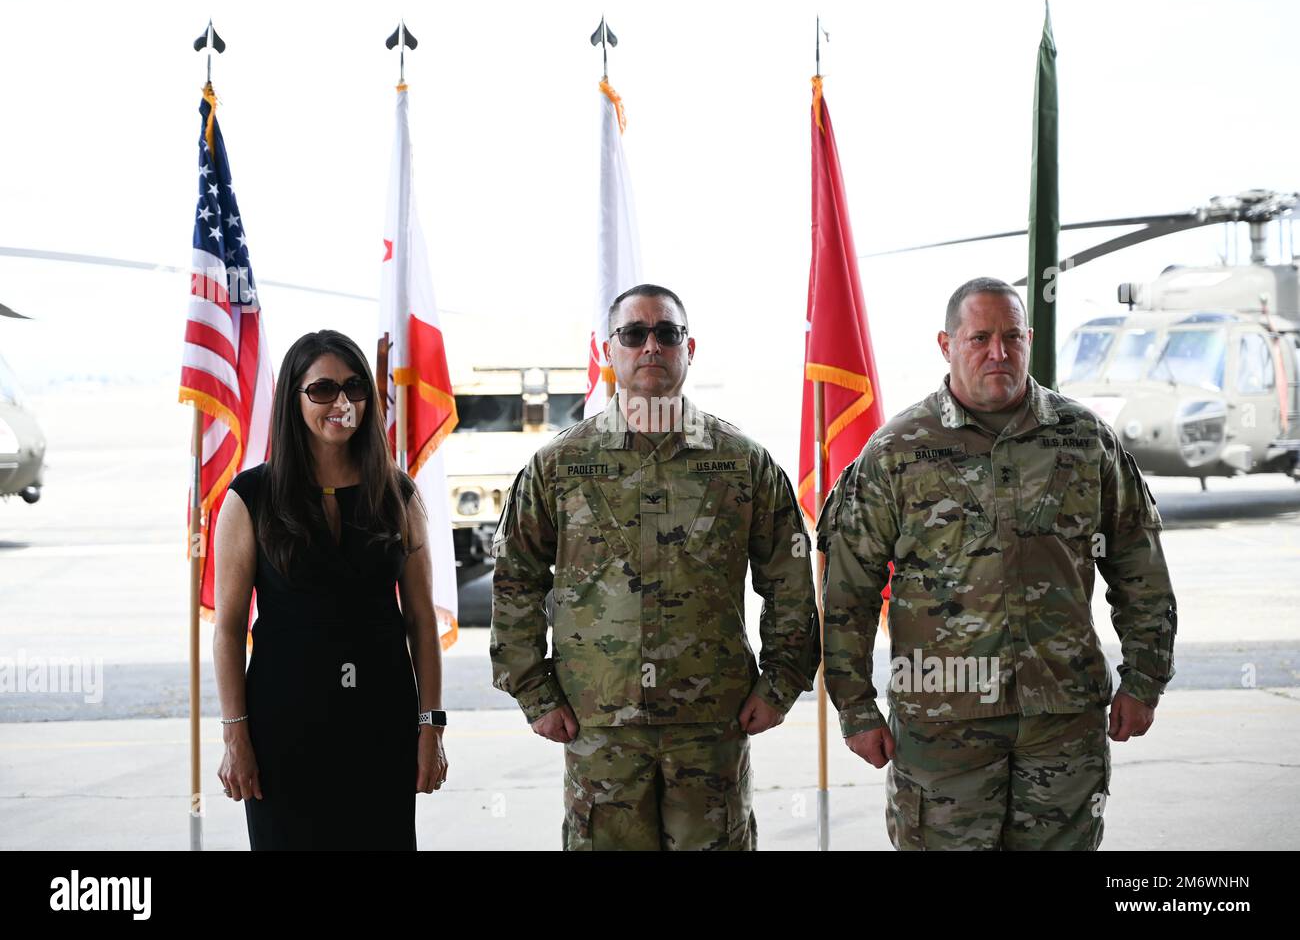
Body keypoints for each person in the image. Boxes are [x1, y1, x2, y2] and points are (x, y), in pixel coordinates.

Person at [818, 276, 1177, 851]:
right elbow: (848, 593)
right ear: (946, 344)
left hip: (1062, 717)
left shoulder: (1083, 439)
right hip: (943, 724)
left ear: (1029, 339)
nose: (998, 352)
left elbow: (1139, 565)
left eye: (1012, 337)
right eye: (979, 337)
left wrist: (1146, 678)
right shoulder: (898, 449)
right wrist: (856, 708)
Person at [491, 283, 820, 851]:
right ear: (607, 350)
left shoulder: (742, 462)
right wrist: (534, 694)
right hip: (599, 726)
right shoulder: (560, 464)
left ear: (689, 348)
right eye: (634, 334)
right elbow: (516, 577)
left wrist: (781, 681)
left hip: (711, 726)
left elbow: (789, 581)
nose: (651, 347)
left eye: (666, 334)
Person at [213, 329, 448, 850]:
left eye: (354, 387)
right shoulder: (250, 496)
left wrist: (431, 726)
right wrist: (236, 734)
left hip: (381, 722)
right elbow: (228, 628)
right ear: (293, 399)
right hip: (283, 727)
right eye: (322, 390)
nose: (342, 403)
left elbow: (420, 622)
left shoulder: (397, 493)